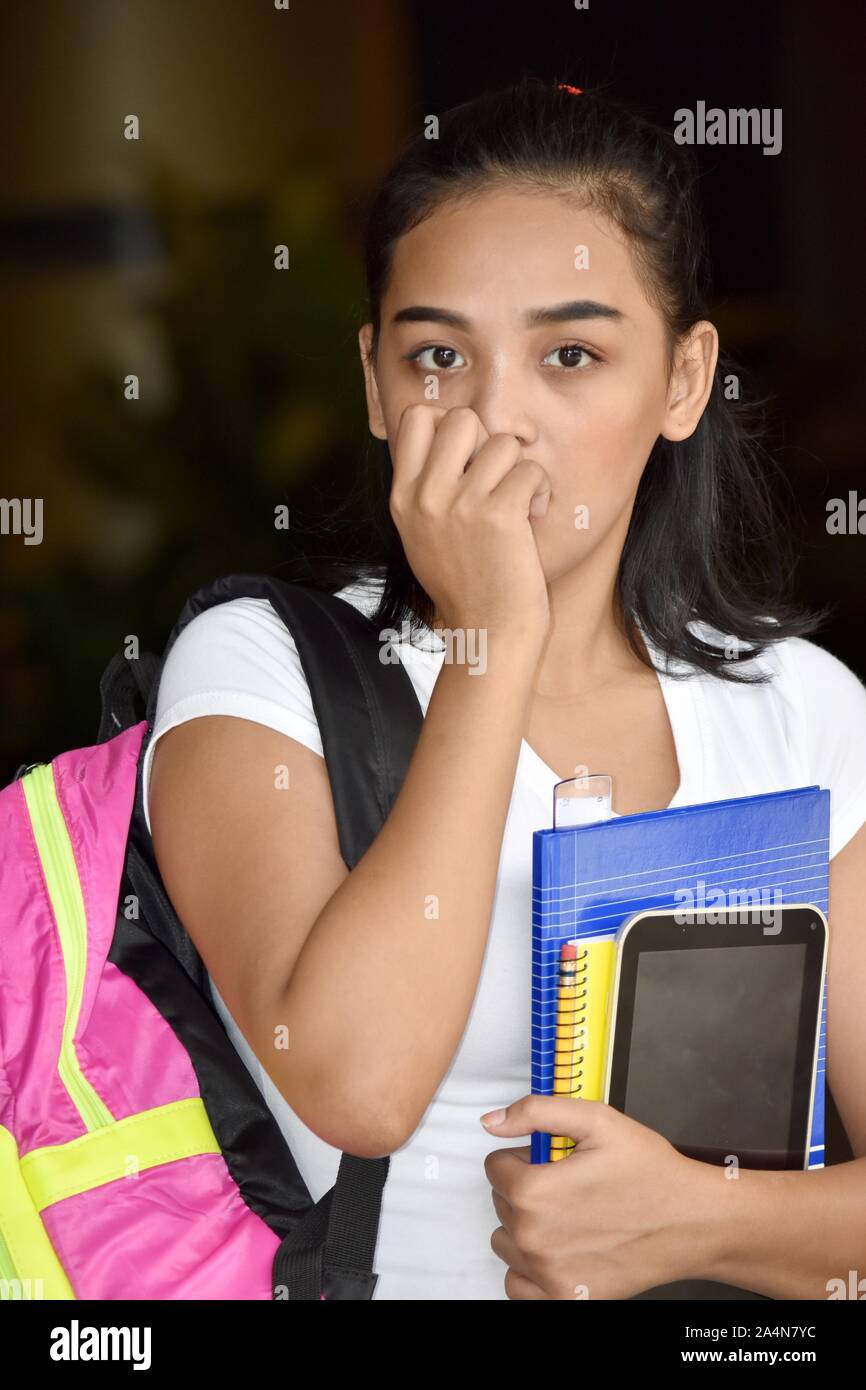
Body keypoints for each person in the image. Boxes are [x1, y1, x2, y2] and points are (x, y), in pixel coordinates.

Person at [146, 75, 866, 1300]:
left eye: (569, 353)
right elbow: (357, 1090)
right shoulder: (263, 669)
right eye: (438, 356)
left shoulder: (797, 706)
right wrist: (490, 639)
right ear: (377, 383)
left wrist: (693, 1220)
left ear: (683, 382)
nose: (496, 418)